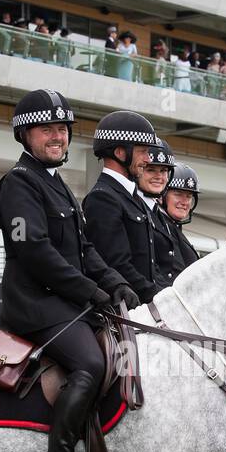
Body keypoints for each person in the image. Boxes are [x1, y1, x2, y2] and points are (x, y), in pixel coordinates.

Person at [0, 89, 137, 452]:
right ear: (25, 135)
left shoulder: (58, 186)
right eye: (46, 129)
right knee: (91, 364)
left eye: (62, 129)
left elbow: (86, 250)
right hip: (35, 307)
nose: (57, 137)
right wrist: (90, 292)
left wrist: (114, 285)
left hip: (68, 306)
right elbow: (36, 253)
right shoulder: (17, 185)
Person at [83, 110, 162, 305]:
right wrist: (160, 298)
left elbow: (150, 266)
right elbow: (116, 264)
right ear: (120, 153)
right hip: (126, 307)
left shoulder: (131, 197)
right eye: (142, 151)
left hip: (144, 305)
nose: (148, 159)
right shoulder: (103, 197)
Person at [155, 162, 202, 285]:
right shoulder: (158, 226)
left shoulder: (172, 227)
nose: (184, 202)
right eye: (178, 194)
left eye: (189, 196)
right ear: (161, 196)